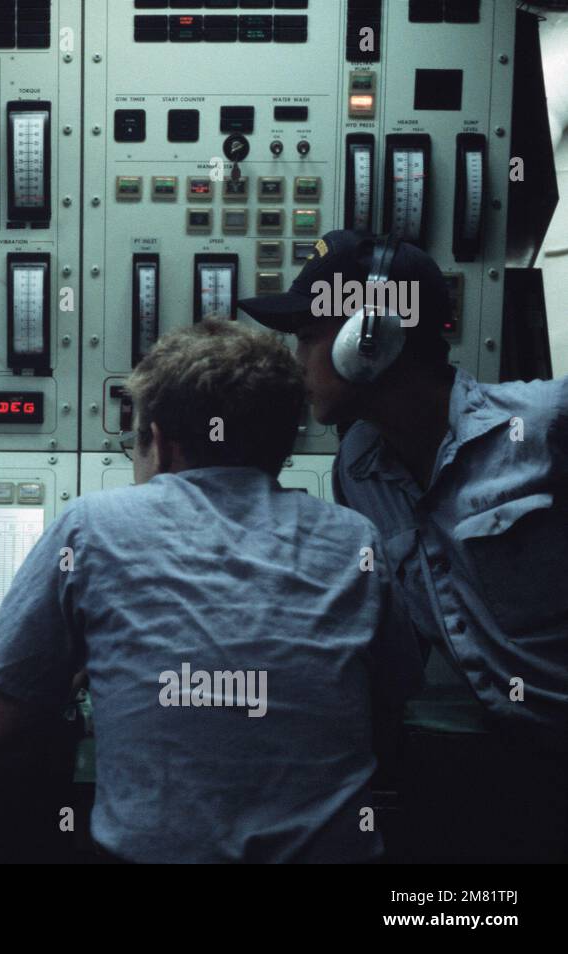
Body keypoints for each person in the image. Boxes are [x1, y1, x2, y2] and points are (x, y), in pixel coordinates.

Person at [0, 321, 422, 862]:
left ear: (158, 444)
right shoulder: (355, 539)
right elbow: (393, 697)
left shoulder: (90, 525)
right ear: (284, 444)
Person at [237, 230, 567, 745]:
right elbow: (400, 643)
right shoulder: (358, 467)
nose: (295, 360)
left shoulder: (545, 424)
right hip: (510, 755)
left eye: (306, 334)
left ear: (371, 334)